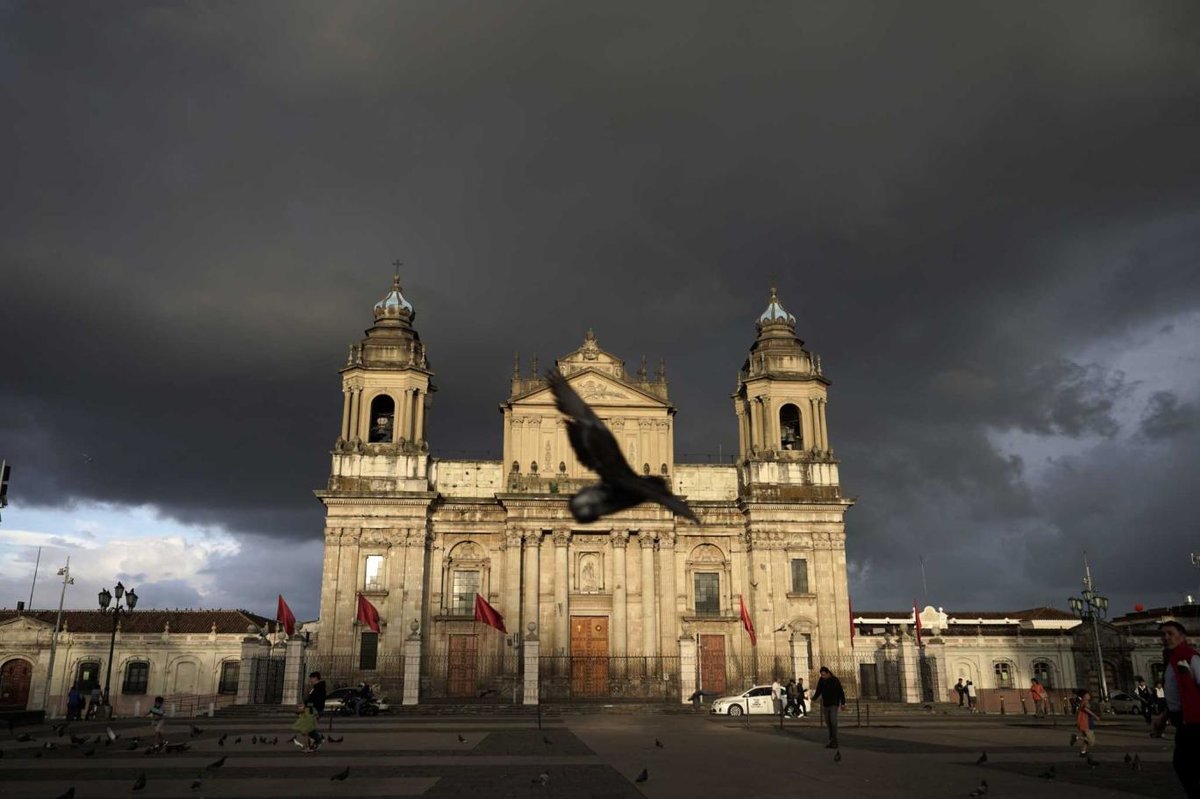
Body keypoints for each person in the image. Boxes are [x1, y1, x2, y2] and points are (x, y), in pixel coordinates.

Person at [1151, 621, 1200, 797]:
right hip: (1183, 721)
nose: (1166, 638)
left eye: (1170, 633)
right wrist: (1164, 717)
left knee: (1184, 765)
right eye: (1163, 635)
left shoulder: (1191, 657)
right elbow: (1176, 696)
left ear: (1182, 636)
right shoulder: (1172, 661)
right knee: (1185, 766)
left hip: (1195, 722)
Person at [810, 666, 847, 749]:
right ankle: (831, 740)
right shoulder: (821, 680)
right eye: (821, 675)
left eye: (824, 675)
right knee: (828, 723)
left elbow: (841, 692)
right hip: (825, 704)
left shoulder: (835, 680)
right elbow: (818, 690)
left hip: (834, 704)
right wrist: (814, 698)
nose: (822, 677)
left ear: (828, 673)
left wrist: (843, 703)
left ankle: (835, 742)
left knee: (833, 722)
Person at [1073, 689, 1099, 756]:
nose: (1089, 695)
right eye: (1087, 695)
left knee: (1086, 739)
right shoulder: (1085, 702)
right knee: (1091, 741)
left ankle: (1083, 752)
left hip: (1085, 722)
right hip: (1086, 722)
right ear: (1084, 696)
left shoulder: (1083, 701)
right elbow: (1085, 709)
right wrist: (1095, 715)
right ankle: (1076, 737)